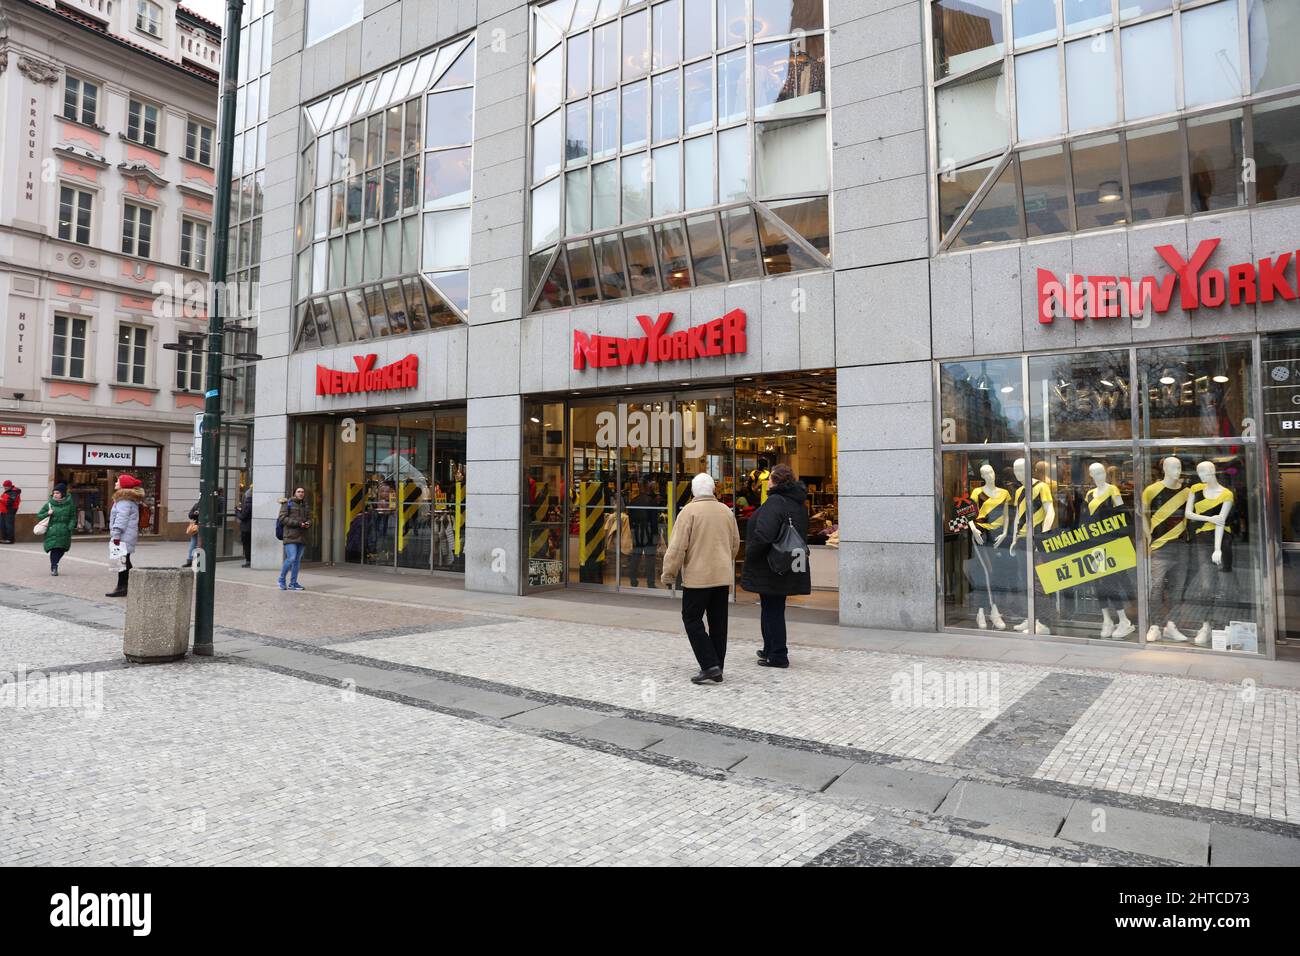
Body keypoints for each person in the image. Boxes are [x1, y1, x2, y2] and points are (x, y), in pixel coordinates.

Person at [661, 473, 740, 685]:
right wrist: (724, 560)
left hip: (697, 578)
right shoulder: (726, 511)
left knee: (691, 619)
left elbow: (677, 547)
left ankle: (709, 664)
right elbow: (735, 543)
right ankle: (717, 665)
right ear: (713, 490)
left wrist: (669, 573)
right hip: (721, 577)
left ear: (694, 491)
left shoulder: (688, 512)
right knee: (718, 623)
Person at [741, 463, 811, 669]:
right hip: (785, 562)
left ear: (775, 481)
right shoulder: (797, 503)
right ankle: (770, 648)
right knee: (773, 606)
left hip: (770, 564)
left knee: (772, 609)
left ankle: (779, 654)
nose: (767, 482)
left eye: (769, 478)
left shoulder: (775, 502)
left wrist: (750, 554)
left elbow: (764, 534)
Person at [106, 474, 144, 597]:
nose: (116, 482)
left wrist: (116, 535)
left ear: (124, 485)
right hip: (127, 536)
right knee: (125, 561)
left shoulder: (124, 501)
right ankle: (127, 586)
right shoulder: (127, 500)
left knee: (122, 563)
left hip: (123, 537)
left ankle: (122, 587)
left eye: (118, 481)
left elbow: (121, 519)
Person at [36, 482, 77, 575]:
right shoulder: (49, 504)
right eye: (54, 493)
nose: (55, 495)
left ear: (63, 493)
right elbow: (39, 516)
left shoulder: (70, 505)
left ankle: (55, 563)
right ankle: (54, 567)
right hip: (52, 531)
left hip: (64, 531)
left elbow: (73, 517)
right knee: (54, 549)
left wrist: (70, 527)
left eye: (57, 493)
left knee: (62, 549)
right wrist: (47, 513)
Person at [277, 487, 311, 591]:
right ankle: (281, 580)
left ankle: (293, 583)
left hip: (302, 536)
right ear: (294, 493)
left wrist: (308, 523)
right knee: (291, 558)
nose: (301, 493)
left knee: (297, 561)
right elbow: (282, 518)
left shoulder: (305, 505)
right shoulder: (287, 503)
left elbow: (310, 518)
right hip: (290, 536)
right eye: (299, 491)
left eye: (302, 492)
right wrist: (298, 523)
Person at [238, 484, 254, 567]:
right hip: (251, 527)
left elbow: (242, 517)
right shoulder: (254, 504)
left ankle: (248, 561)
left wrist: (237, 512)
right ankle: (250, 560)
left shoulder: (247, 505)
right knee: (250, 544)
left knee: (246, 545)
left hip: (246, 528)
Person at [182, 498, 201, 567]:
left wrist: (194, 514)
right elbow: (190, 515)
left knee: (194, 543)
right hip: (198, 527)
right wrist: (195, 514)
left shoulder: (196, 505)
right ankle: (193, 560)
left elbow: (190, 515)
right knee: (197, 543)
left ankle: (190, 560)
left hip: (197, 527)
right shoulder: (197, 505)